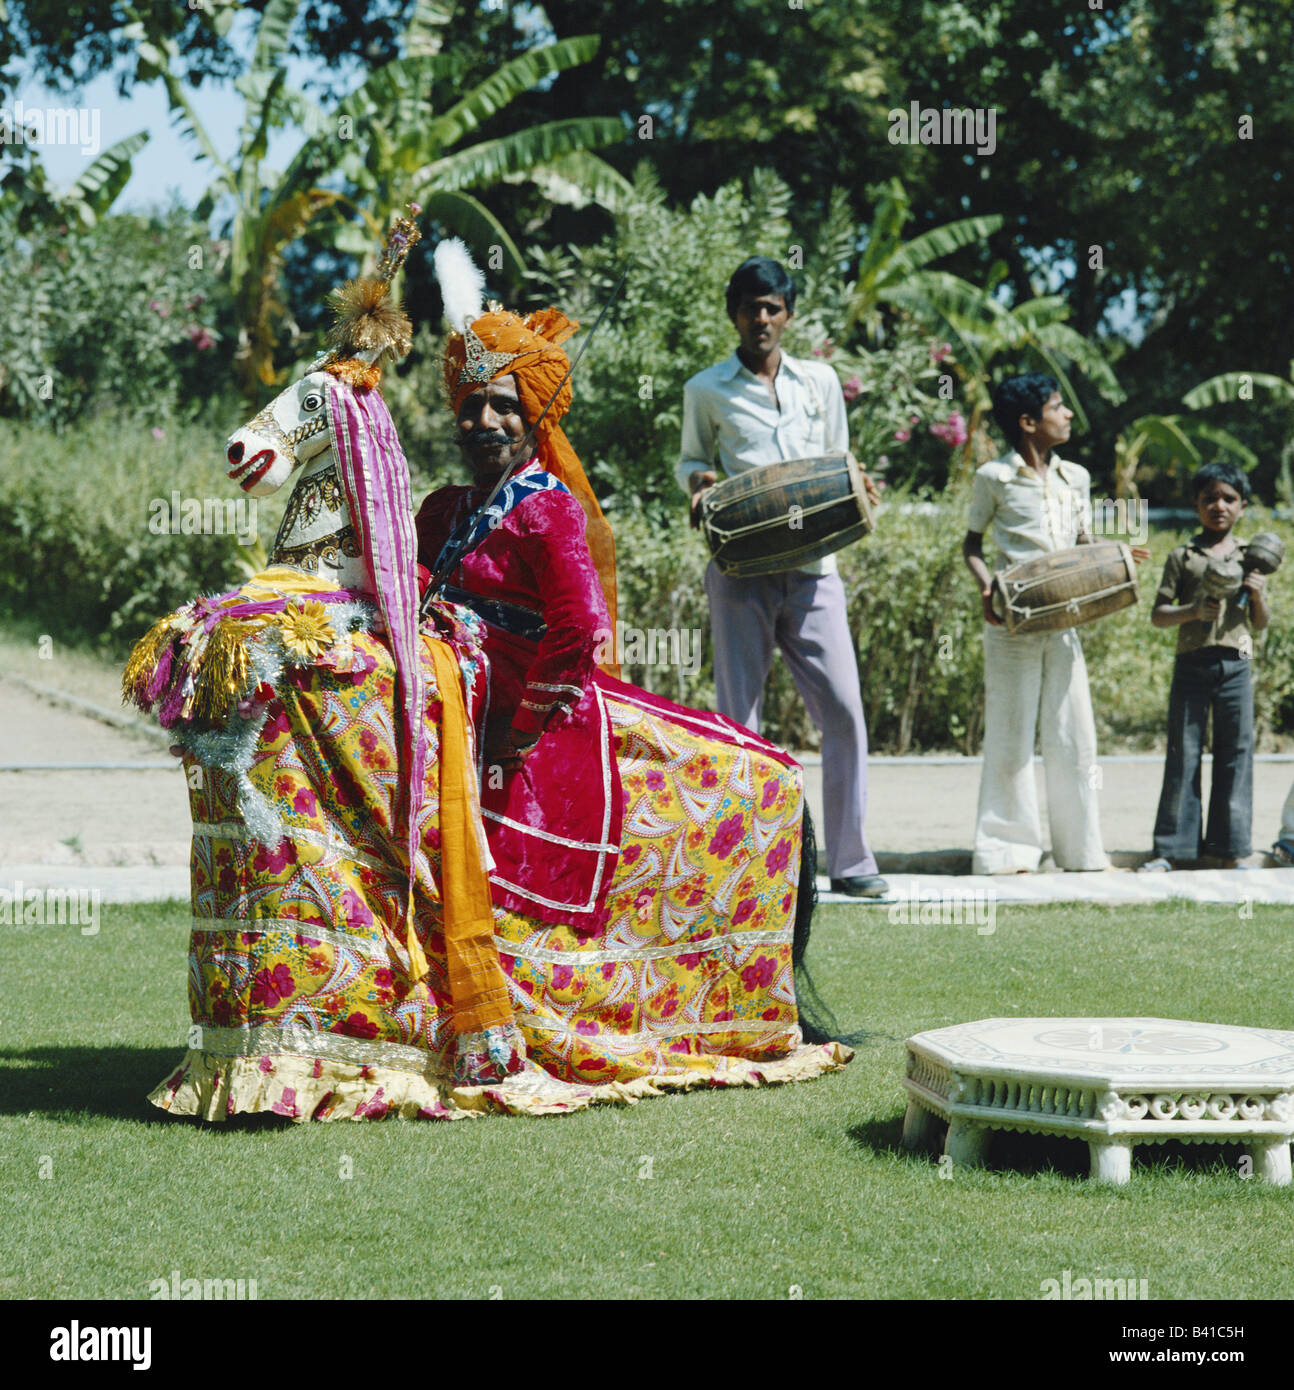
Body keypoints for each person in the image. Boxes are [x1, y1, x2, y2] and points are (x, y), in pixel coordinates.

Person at [414, 256, 853, 1091]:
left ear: (530, 415)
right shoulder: (442, 509)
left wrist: (516, 729)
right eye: (471, 405)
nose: (483, 420)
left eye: (503, 405)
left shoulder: (547, 507)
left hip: (530, 712)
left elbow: (580, 629)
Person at [678, 256, 887, 899]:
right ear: (732, 314)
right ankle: (742, 862)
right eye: (749, 307)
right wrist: (699, 484)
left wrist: (858, 491)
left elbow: (837, 460)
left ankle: (851, 862)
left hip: (814, 569)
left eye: (772, 307)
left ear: (788, 315)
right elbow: (692, 458)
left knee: (846, 714)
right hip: (741, 568)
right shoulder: (705, 389)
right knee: (738, 719)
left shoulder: (819, 381)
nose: (761, 318)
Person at [962, 372, 1145, 875]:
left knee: (1073, 734)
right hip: (1011, 625)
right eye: (1058, 407)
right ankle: (1005, 852)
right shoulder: (993, 478)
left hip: (1065, 622)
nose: (1068, 415)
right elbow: (972, 545)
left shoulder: (1077, 478)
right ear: (1027, 422)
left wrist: (1116, 557)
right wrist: (986, 588)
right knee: (1010, 733)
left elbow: (1083, 542)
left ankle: (1081, 852)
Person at [1140, 461, 1270, 870]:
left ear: (1243, 506)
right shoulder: (1184, 556)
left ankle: (1230, 852)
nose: (1219, 506)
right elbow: (1159, 614)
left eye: (1228, 498)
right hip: (1191, 664)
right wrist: (1193, 611)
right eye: (1209, 498)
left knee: (1237, 754)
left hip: (1237, 664)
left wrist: (1259, 595)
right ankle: (1172, 851)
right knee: (1184, 753)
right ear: (1196, 506)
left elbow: (1261, 624)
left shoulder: (1253, 558)